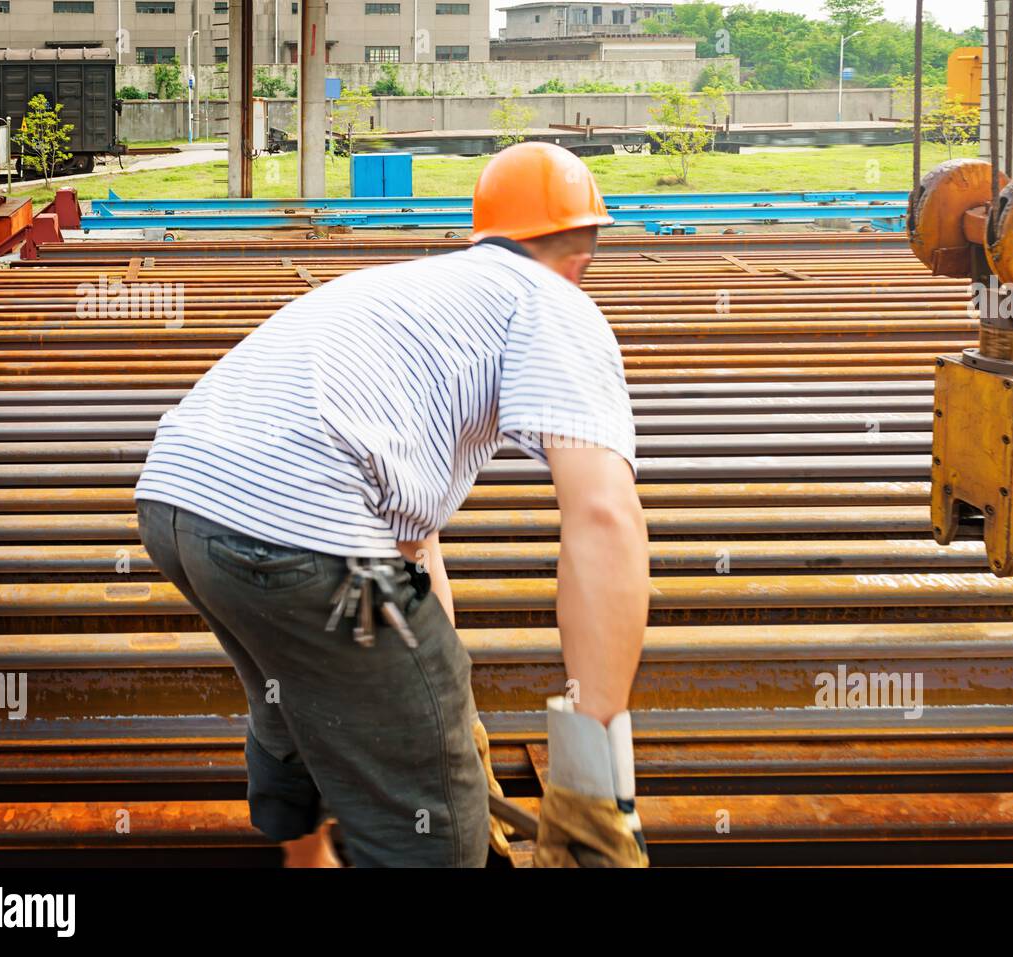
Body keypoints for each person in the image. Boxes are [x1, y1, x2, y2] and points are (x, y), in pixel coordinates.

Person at [133, 141, 651, 867]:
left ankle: (303, 852)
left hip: (177, 504)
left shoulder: (417, 294)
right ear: (581, 254)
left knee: (294, 691)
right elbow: (603, 516)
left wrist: (437, 700)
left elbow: (412, 549)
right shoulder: (555, 302)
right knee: (436, 820)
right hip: (297, 524)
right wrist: (592, 786)